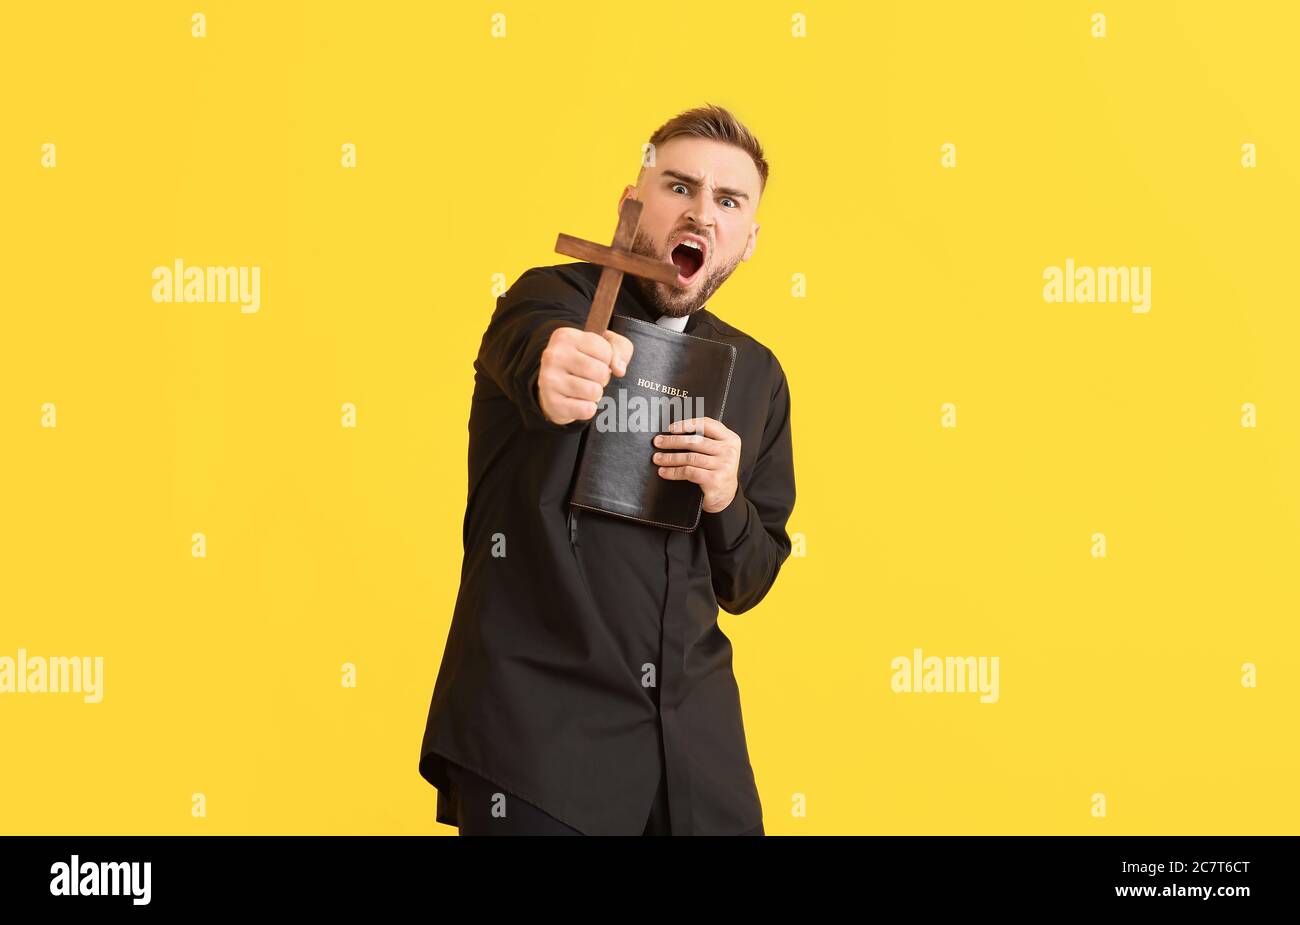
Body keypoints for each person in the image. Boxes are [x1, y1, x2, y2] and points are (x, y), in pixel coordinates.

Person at [418, 103, 795, 835]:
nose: (702, 214)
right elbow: (535, 350)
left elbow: (749, 578)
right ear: (634, 202)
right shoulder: (543, 301)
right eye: (679, 187)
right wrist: (555, 369)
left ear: (748, 239)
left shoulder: (758, 375)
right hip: (539, 746)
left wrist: (725, 498)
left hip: (697, 758)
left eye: (727, 200)